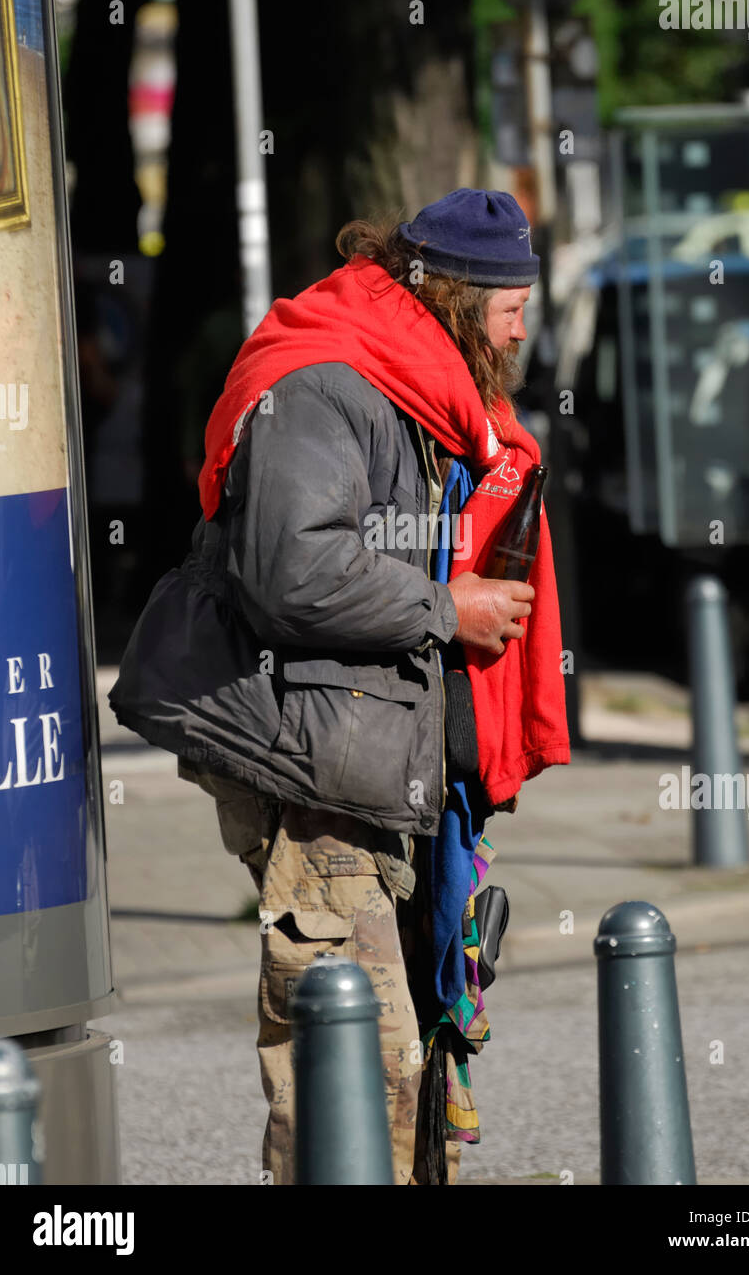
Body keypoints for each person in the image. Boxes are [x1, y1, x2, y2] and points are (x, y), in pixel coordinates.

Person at [108, 187, 570, 1185]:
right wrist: (452, 608)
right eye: (510, 301)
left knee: (407, 1058)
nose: (525, 323)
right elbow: (295, 572)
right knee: (359, 1056)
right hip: (304, 761)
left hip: (365, 756)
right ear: (452, 295)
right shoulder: (325, 384)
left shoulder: (419, 387)